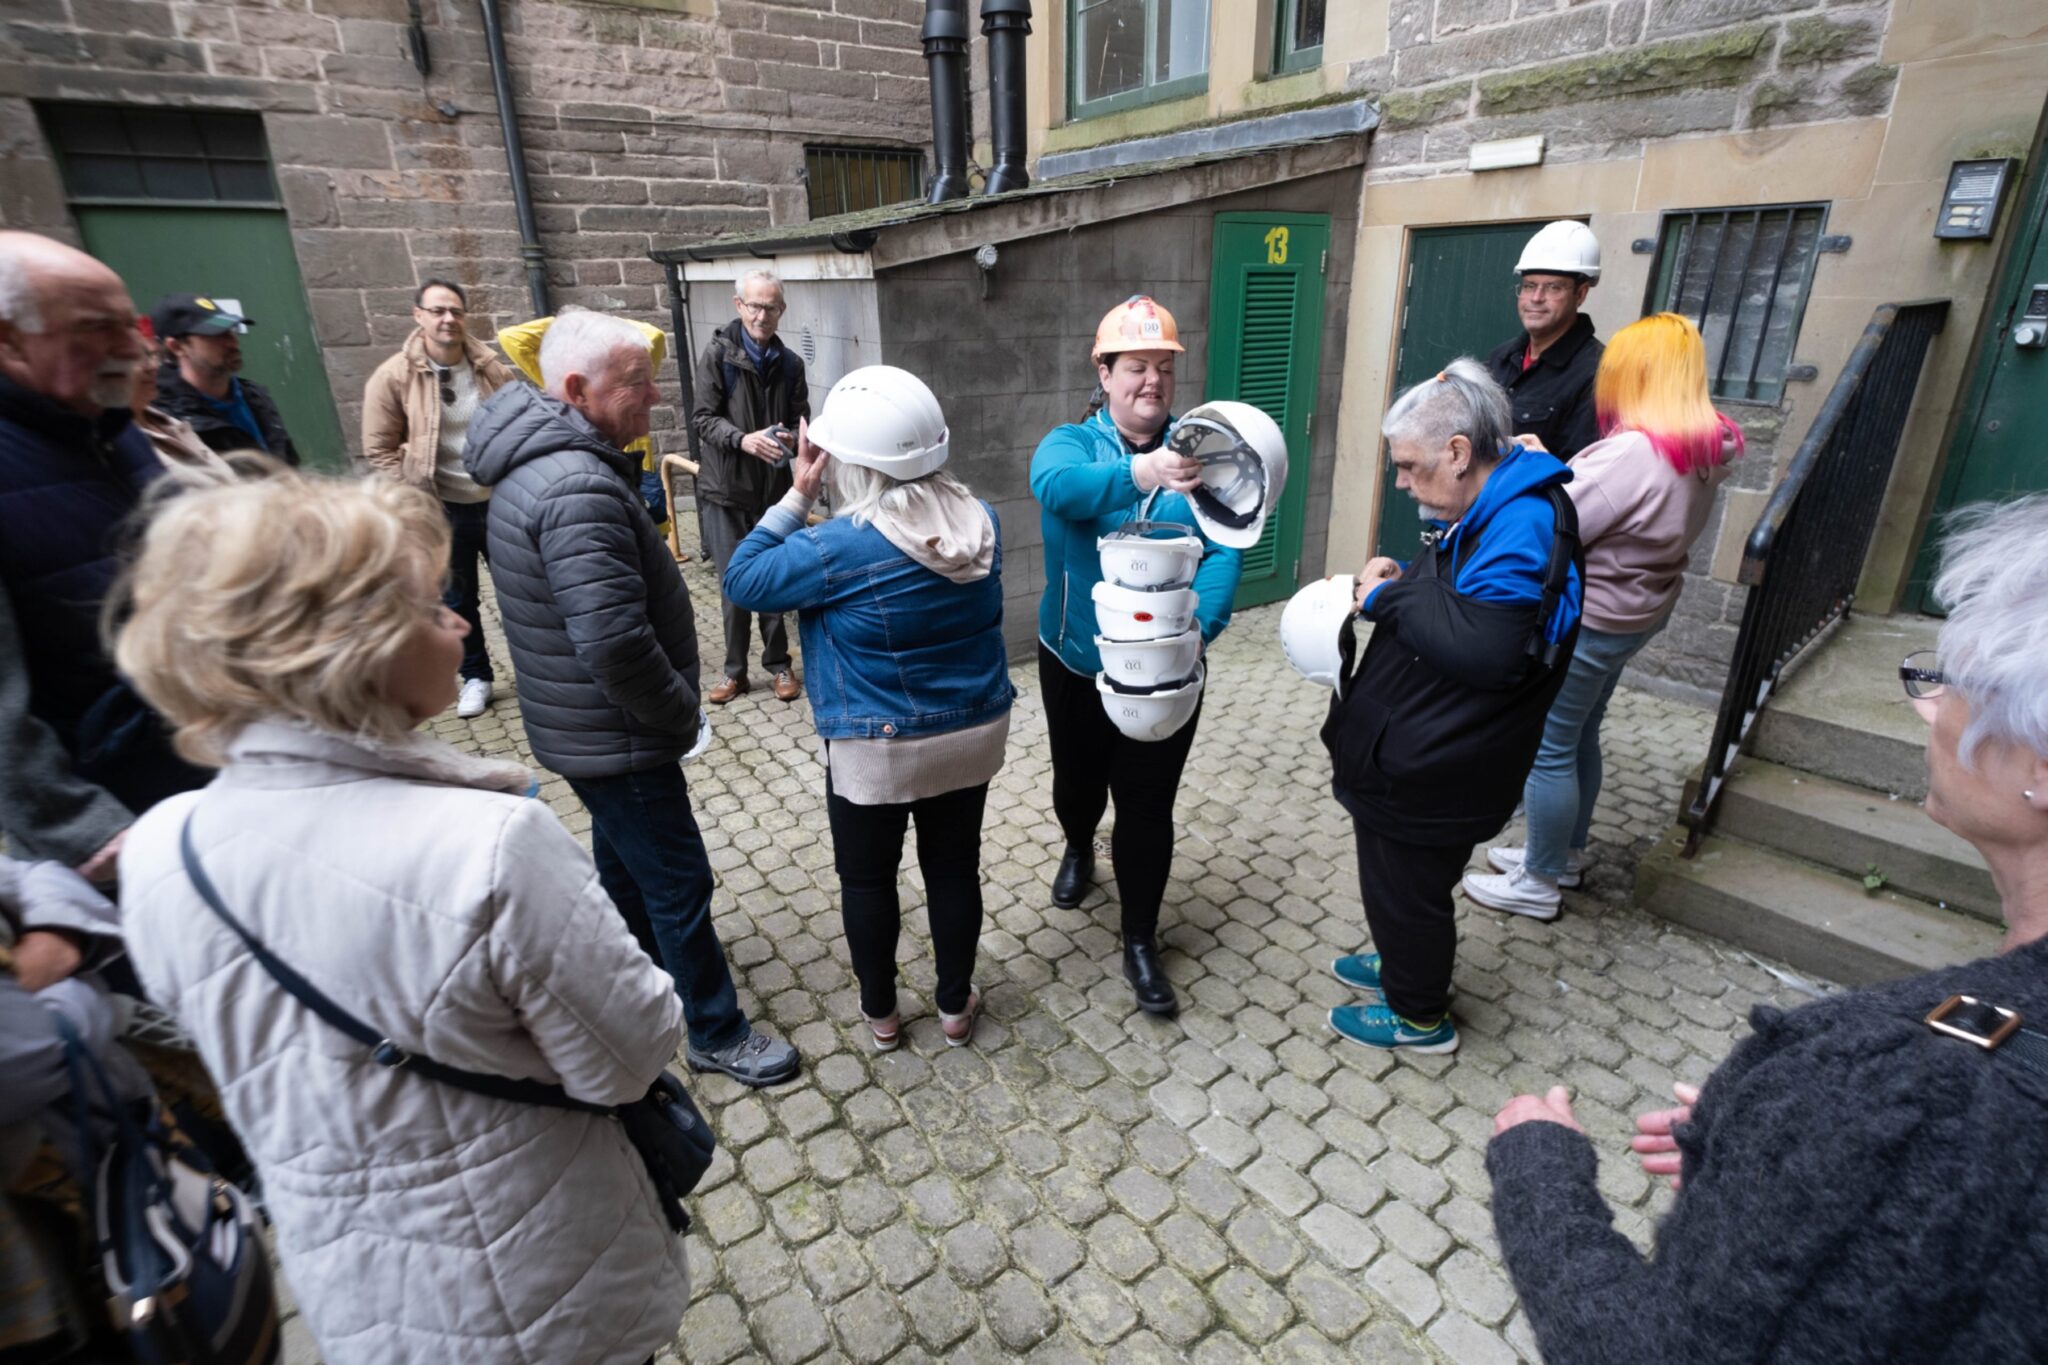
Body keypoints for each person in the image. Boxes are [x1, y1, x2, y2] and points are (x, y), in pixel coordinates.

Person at [111, 471, 692, 1365]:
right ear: (353, 648)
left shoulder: (157, 852)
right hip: (539, 1291)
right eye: (431, 607)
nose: (461, 622)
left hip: (355, 1292)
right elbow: (628, 1054)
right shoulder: (489, 845)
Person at [1488, 493, 2048, 1362]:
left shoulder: (1928, 1097)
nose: (1927, 707)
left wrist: (1537, 1166)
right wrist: (1783, 1167)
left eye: (1952, 683)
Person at [465, 308, 799, 1088]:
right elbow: (614, 642)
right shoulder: (577, 484)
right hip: (616, 729)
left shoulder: (542, 458)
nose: (652, 397)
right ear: (576, 389)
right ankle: (715, 1030)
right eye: (635, 383)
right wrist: (683, 713)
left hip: (583, 725)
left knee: (624, 859)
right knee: (678, 877)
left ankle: (630, 969)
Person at [724, 367, 1013, 1051]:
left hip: (875, 747)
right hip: (973, 731)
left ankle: (882, 1014)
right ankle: (953, 1006)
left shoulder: (835, 548)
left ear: (850, 464)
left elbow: (742, 577)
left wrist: (798, 493)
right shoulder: (982, 520)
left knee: (867, 877)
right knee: (953, 868)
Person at [1322, 358, 1582, 1054]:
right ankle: (1406, 959)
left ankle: (1419, 1013)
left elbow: (1488, 651)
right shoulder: (1494, 505)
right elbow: (1465, 605)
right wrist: (1404, 579)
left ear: (1459, 453)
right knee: (1406, 888)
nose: (1402, 482)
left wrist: (1386, 598)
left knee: (1410, 891)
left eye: (1410, 466)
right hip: (1426, 756)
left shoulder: (1522, 524)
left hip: (1437, 770)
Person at [1466, 313, 1744, 919]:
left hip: (1591, 620)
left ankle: (1538, 881)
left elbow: (1558, 525)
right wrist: (1555, 464)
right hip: (1637, 612)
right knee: (1581, 732)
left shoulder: (1634, 454)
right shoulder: (1697, 445)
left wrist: (1524, 473)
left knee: (1548, 745)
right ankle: (1562, 854)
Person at [1031, 295, 1244, 1017]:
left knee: (1148, 806)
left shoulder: (1203, 457)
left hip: (1165, 676)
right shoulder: (1073, 443)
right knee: (1076, 787)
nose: (1150, 380)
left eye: (1162, 367)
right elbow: (1057, 490)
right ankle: (1076, 844)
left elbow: (1222, 549)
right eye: (1135, 366)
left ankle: (1141, 938)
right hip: (1076, 662)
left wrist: (1198, 628)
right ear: (1105, 370)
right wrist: (1144, 473)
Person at [0, 231, 206, 880]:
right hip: (120, 825)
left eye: (131, 324)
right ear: (8, 340)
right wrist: (85, 833)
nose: (133, 348)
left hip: (203, 765)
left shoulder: (112, 431)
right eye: (98, 329)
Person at [363, 278, 521, 719]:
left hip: (497, 501)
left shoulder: (491, 369)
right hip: (441, 508)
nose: (448, 318)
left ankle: (532, 669)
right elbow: (378, 449)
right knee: (457, 599)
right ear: (419, 317)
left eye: (455, 310)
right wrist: (415, 497)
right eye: (437, 311)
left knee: (520, 592)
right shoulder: (394, 376)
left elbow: (517, 426)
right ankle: (477, 677)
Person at [689, 268, 807, 705]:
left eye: (770, 307)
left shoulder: (790, 363)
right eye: (754, 305)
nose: (762, 315)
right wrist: (743, 439)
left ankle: (779, 666)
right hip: (726, 489)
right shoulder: (718, 354)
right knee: (733, 584)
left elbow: (801, 419)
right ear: (739, 306)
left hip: (772, 491)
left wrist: (793, 440)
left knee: (773, 580)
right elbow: (703, 419)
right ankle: (734, 672)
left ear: (781, 311)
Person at [1485, 220, 1605, 461]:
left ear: (1580, 294)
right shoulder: (1501, 358)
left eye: (1552, 288)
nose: (1536, 298)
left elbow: (1578, 476)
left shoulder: (1599, 372)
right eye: (1529, 286)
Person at [149, 293, 299, 466]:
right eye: (216, 335)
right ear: (176, 347)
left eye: (231, 331)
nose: (233, 343)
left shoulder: (255, 397)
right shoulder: (165, 419)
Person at [127, 322, 230, 478]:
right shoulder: (113, 442)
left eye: (153, 356)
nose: (152, 366)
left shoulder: (170, 423)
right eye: (136, 357)